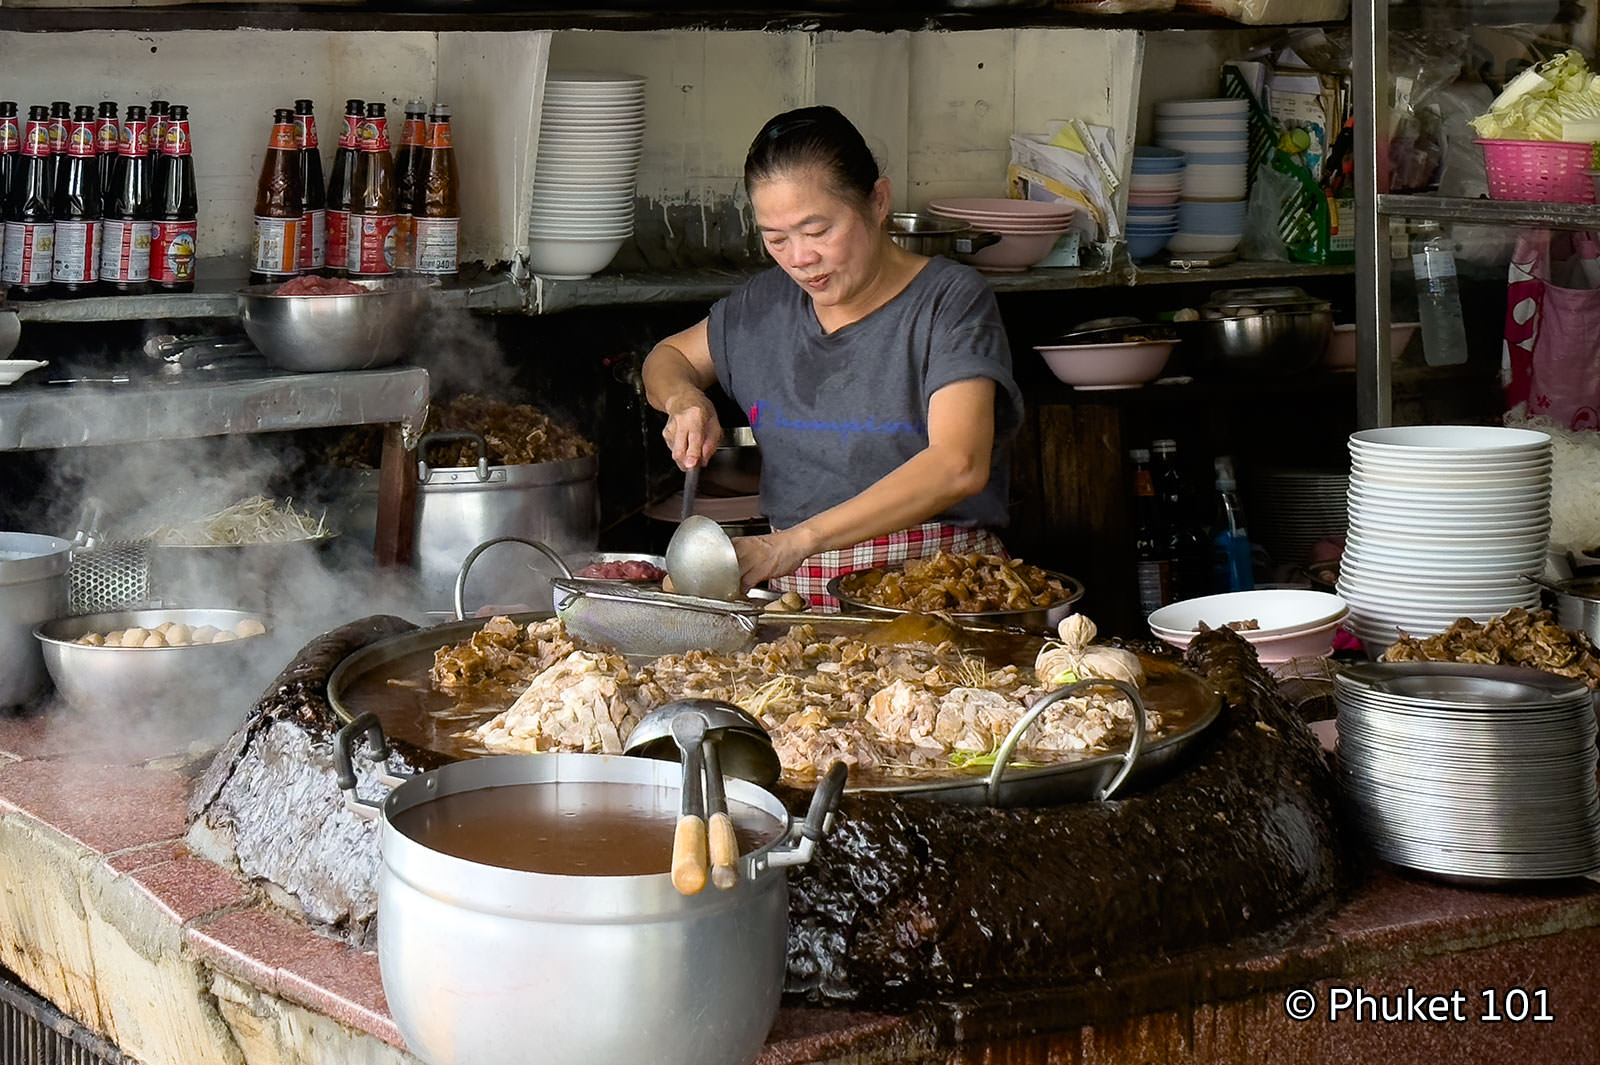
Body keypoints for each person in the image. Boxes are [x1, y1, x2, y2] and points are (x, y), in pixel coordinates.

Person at [642, 105, 1024, 608]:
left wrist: (793, 543)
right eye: (775, 238)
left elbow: (958, 464)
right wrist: (684, 400)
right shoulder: (764, 304)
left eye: (817, 230)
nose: (799, 258)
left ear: (878, 201)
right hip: (796, 602)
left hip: (939, 592)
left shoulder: (948, 300)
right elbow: (668, 357)